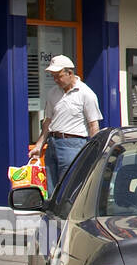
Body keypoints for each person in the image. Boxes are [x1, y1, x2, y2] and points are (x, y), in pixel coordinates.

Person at [28, 55, 102, 189]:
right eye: (53, 76)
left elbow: (93, 125)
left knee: (68, 187)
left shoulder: (86, 93)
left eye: (59, 76)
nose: (56, 80)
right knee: (51, 188)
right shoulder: (53, 92)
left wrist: (94, 151)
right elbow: (48, 121)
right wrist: (39, 145)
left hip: (74, 144)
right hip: (53, 143)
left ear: (70, 73)